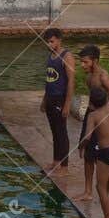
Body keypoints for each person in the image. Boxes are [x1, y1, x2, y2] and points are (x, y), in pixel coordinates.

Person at [74, 46, 109, 206]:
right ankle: (88, 191)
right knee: (87, 155)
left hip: (101, 119)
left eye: (85, 62)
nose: (82, 65)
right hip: (90, 115)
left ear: (95, 61)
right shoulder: (89, 77)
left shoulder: (103, 77)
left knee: (101, 157)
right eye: (81, 62)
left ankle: (108, 196)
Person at [79, 85, 109, 218]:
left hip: (104, 152)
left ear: (91, 103)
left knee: (101, 187)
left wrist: (81, 146)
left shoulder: (93, 115)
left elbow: (88, 137)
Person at [39, 28, 76, 174]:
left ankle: (64, 166)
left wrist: (67, 104)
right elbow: (49, 80)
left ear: (59, 40)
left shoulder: (67, 57)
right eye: (47, 42)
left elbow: (71, 82)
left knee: (61, 132)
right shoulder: (51, 56)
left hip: (60, 99)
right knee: (54, 131)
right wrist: (44, 100)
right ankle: (56, 161)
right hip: (50, 98)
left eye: (51, 41)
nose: (49, 44)